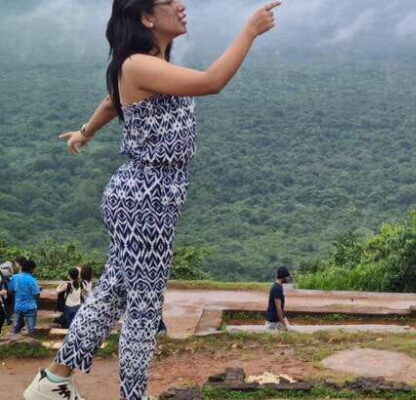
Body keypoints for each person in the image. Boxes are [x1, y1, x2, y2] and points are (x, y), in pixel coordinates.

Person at [24, 1, 282, 399]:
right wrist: (249, 31)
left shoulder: (148, 65)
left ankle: (53, 381)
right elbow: (212, 81)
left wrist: (85, 132)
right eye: (168, 1)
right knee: (144, 309)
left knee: (112, 294)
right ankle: (131, 395)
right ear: (146, 17)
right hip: (146, 196)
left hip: (149, 196)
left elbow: (112, 101)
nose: (181, 6)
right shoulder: (137, 64)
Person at [11, 258, 40, 336]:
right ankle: (30, 338)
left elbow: (11, 290)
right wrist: (37, 304)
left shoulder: (14, 277)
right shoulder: (32, 280)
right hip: (31, 306)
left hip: (18, 305)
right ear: (31, 269)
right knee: (31, 328)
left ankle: (14, 338)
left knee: (16, 326)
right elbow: (36, 294)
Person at [265, 267, 291, 331]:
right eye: (287, 277)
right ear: (283, 277)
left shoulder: (278, 287)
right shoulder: (277, 289)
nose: (289, 278)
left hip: (278, 319)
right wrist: (284, 324)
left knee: (289, 332)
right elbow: (278, 308)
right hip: (273, 321)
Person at [0, 261, 13, 332]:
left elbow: (10, 282)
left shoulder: (3, 273)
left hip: (3, 300)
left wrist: (6, 291)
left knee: (2, 317)